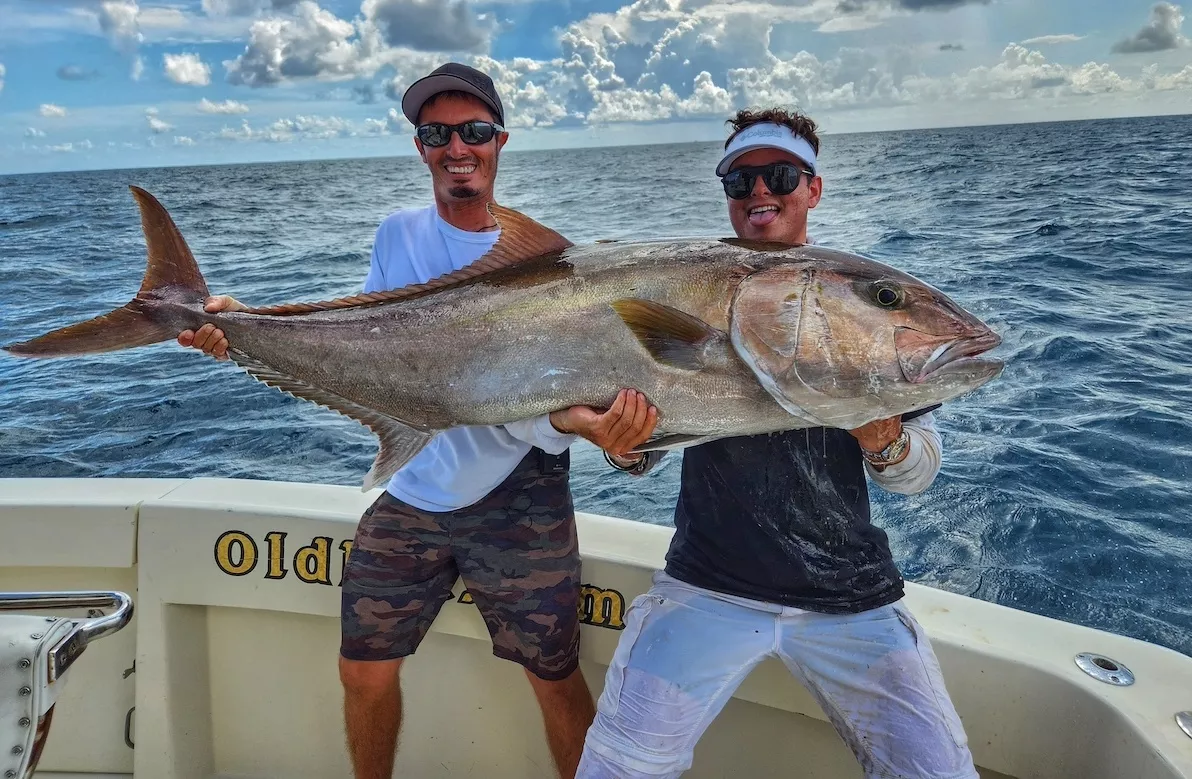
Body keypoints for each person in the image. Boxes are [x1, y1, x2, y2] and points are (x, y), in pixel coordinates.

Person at [176, 62, 656, 779]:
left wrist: (589, 430)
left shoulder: (556, 263)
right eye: (438, 132)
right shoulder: (396, 234)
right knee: (362, 669)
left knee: (554, 677)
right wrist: (243, 322)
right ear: (419, 145)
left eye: (473, 131)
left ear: (500, 141)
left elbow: (549, 394)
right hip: (417, 486)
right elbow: (366, 339)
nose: (457, 147)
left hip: (520, 492)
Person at [576, 108, 979, 779]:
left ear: (812, 187)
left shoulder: (858, 303)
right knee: (617, 769)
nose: (760, 190)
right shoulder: (680, 287)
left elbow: (917, 471)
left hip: (851, 595)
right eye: (742, 180)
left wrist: (883, 439)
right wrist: (620, 445)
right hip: (708, 583)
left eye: (780, 174)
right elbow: (644, 445)